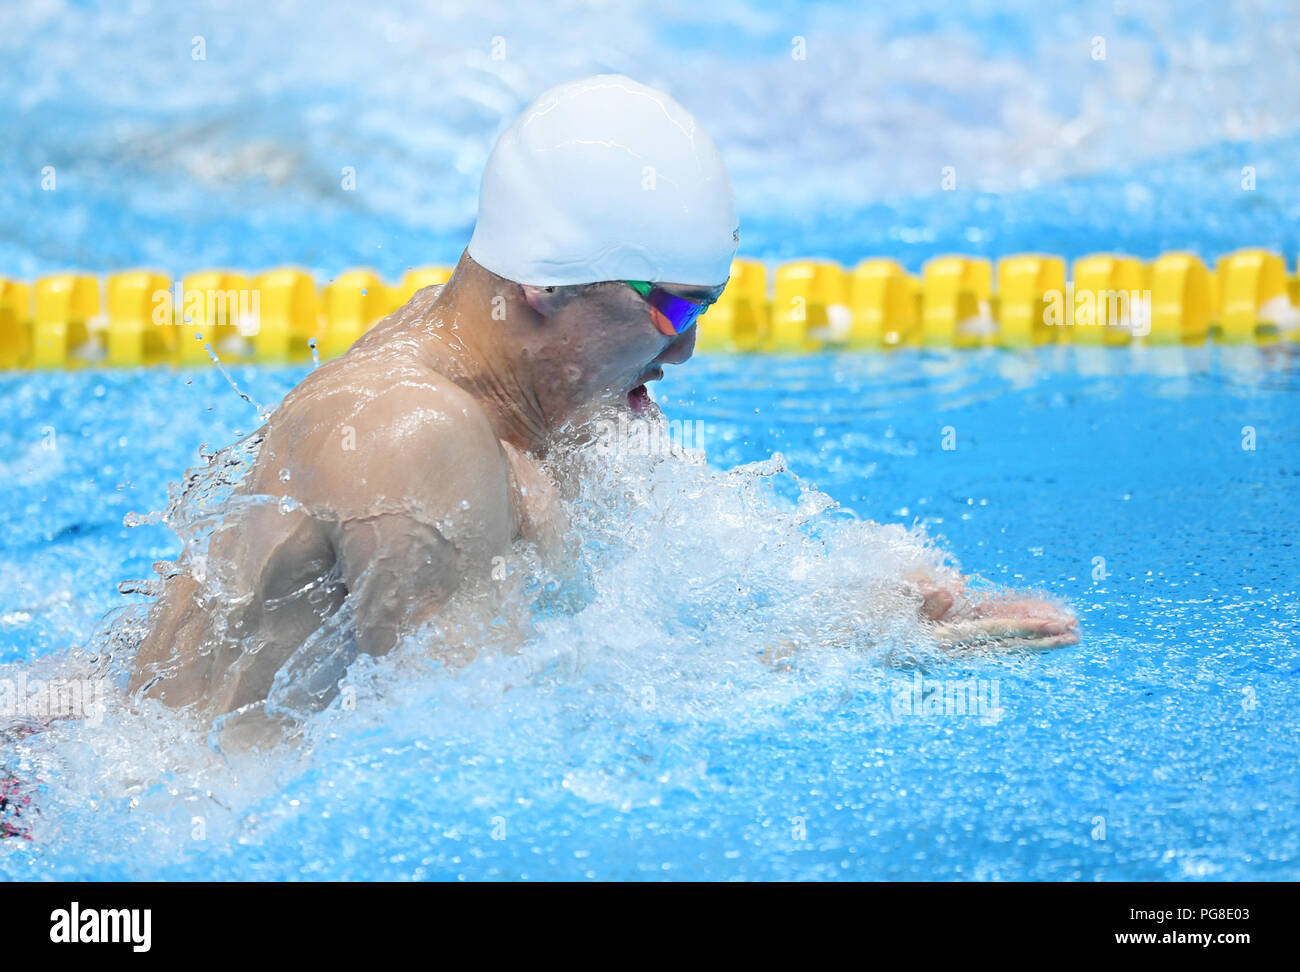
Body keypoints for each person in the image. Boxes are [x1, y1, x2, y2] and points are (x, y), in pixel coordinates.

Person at [127, 75, 1077, 727]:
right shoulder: (412, 434)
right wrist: (844, 652)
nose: (687, 345)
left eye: (702, 306)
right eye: (666, 303)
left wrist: (866, 605)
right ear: (546, 285)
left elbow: (600, 639)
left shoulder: (537, 392)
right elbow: (480, 751)